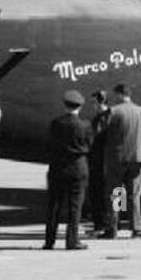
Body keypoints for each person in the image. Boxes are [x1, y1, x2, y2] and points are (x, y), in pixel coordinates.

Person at [101, 83, 141, 239]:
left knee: (116, 192)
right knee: (133, 194)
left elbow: (102, 130)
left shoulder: (114, 111)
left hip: (117, 158)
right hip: (138, 158)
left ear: (119, 95)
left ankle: (113, 228)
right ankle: (137, 228)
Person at [45, 90, 91, 250]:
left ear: (65, 105)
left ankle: (49, 240)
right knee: (75, 206)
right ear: (80, 107)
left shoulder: (56, 123)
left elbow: (50, 142)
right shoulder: (85, 125)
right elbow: (89, 144)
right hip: (78, 167)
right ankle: (72, 240)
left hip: (58, 167)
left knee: (54, 206)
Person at [84, 90, 111, 235]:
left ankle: (100, 225)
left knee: (97, 194)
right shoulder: (115, 116)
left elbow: (93, 140)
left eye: (94, 102)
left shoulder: (99, 120)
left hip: (99, 162)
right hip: (114, 162)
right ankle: (116, 222)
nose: (93, 106)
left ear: (100, 102)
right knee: (118, 192)